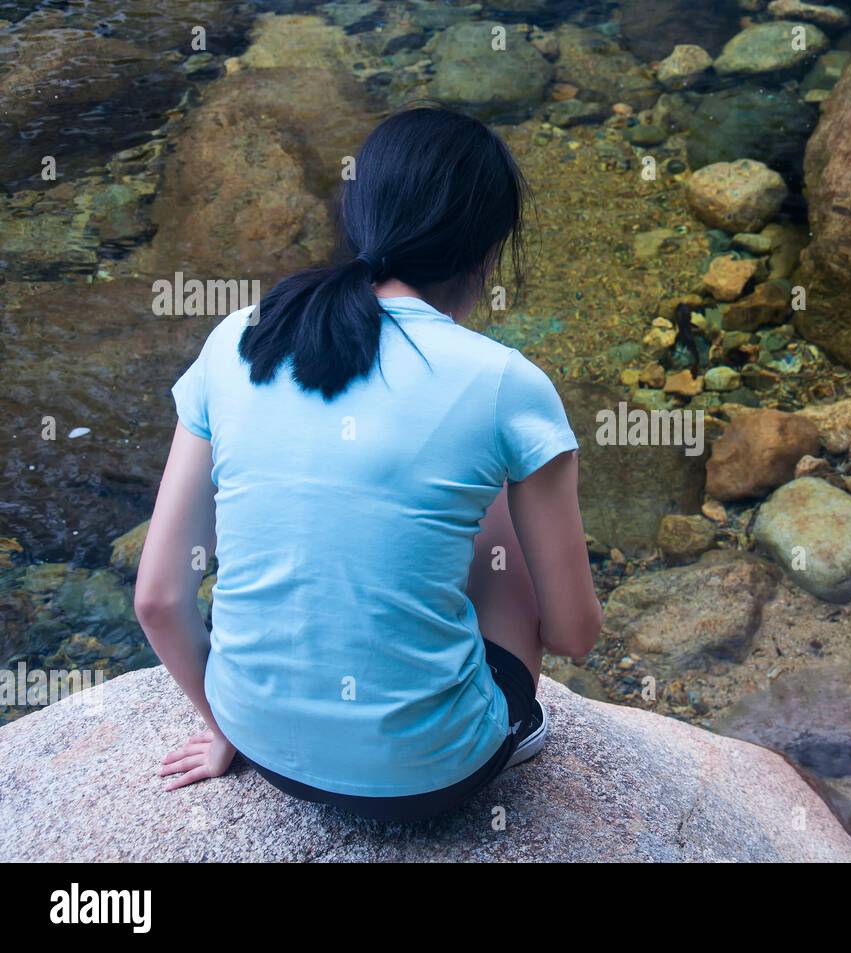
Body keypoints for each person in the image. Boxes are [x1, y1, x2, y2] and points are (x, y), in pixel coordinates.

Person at [133, 107, 601, 823]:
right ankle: (506, 727)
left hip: (257, 744)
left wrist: (227, 724)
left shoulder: (238, 337)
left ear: (359, 214)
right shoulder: (505, 383)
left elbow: (159, 600)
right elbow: (572, 635)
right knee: (493, 496)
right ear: (487, 253)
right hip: (437, 775)